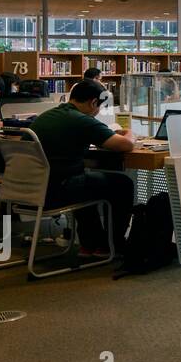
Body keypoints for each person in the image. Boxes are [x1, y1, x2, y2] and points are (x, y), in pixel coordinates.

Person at [30, 79, 136, 257]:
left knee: (85, 180)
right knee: (122, 183)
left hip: (32, 189)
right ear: (93, 102)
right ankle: (113, 244)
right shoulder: (82, 120)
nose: (98, 112)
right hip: (58, 191)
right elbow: (126, 145)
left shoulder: (46, 117)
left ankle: (91, 244)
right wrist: (129, 133)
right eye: (99, 107)